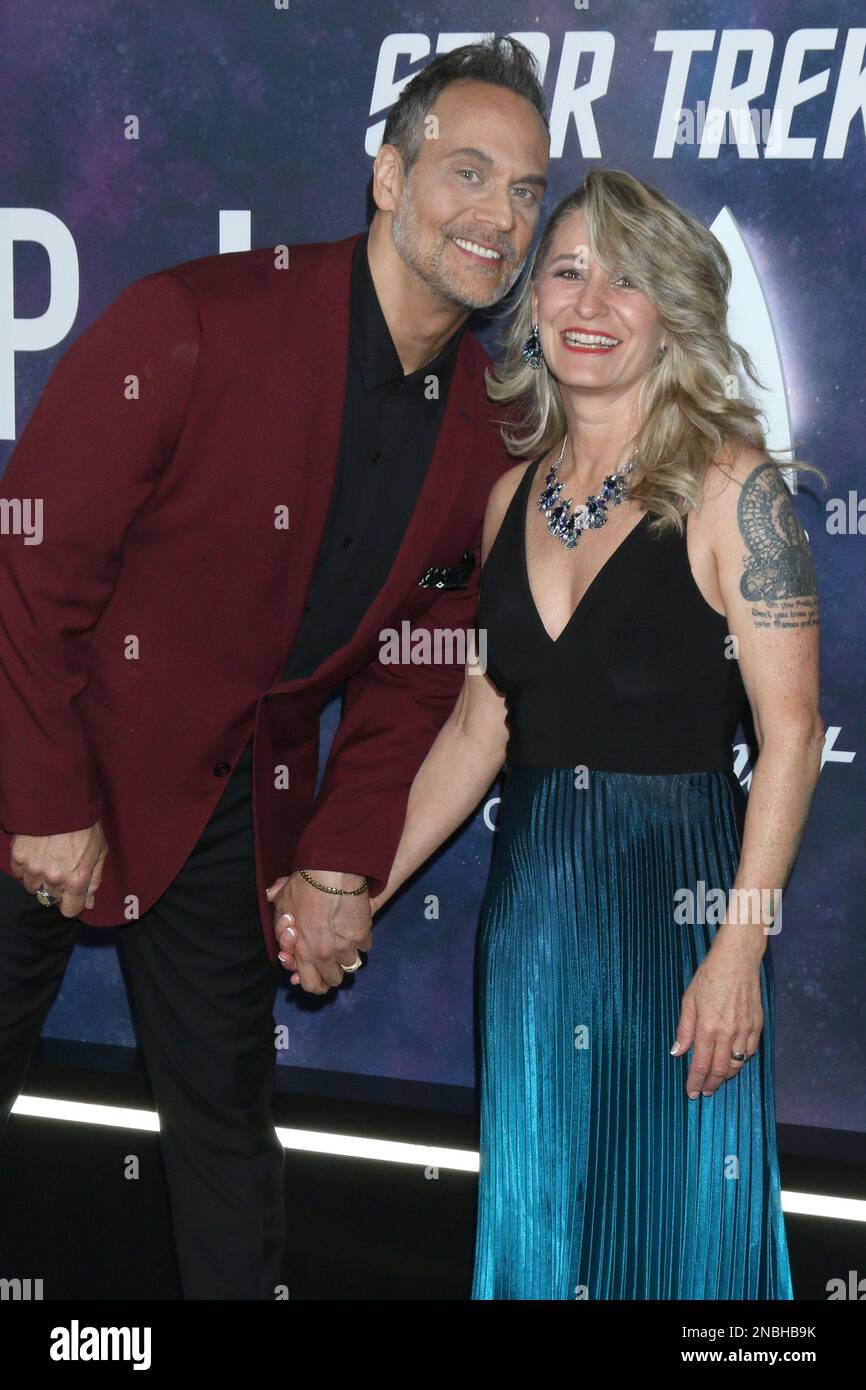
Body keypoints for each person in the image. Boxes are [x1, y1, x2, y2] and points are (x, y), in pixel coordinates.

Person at [0, 36, 550, 1298]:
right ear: (385, 177)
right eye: (467, 172)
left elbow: (417, 670)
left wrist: (342, 858)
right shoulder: (194, 322)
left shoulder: (487, 428)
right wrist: (43, 799)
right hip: (48, 751)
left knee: (231, 1164)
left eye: (524, 192)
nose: (498, 217)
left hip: (222, 816)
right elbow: (31, 563)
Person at [369, 168, 824, 1299]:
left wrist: (736, 951)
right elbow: (481, 720)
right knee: (539, 1220)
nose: (587, 301)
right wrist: (355, 886)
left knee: (675, 1236)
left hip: (679, 911)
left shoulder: (732, 488)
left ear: (669, 308)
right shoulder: (506, 499)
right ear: (529, 304)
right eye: (565, 270)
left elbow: (793, 732)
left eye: (624, 279)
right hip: (535, 919)